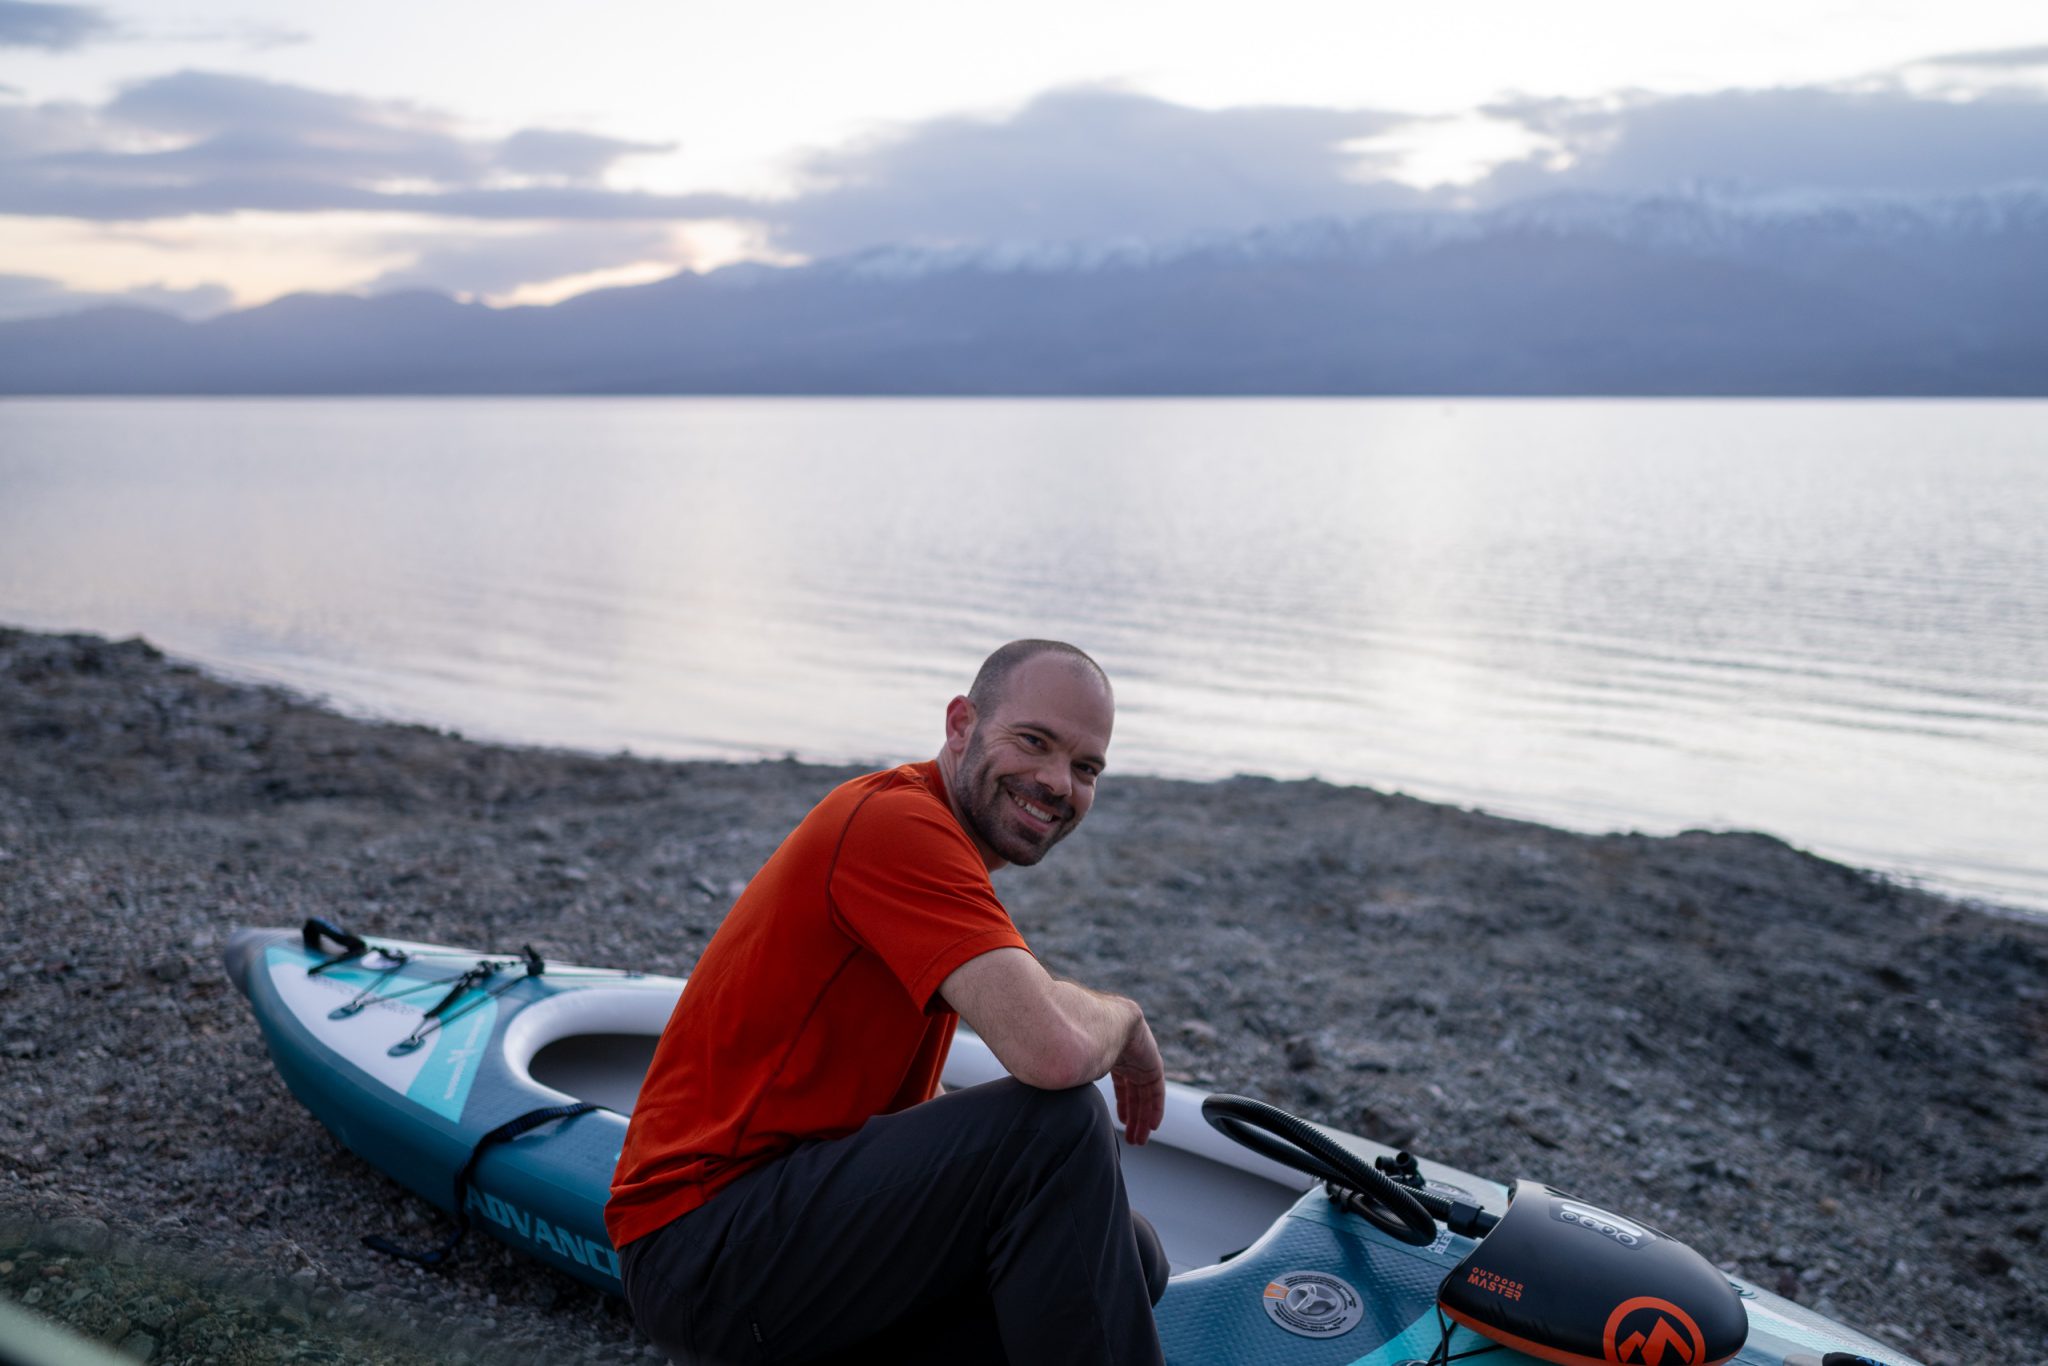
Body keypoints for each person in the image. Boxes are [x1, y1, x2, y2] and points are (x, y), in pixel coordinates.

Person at [607, 640, 1169, 1366]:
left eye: (1086, 768)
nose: (1059, 782)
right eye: (1035, 741)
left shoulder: (939, 844)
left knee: (1133, 1255)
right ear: (961, 724)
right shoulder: (894, 823)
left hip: (781, 1226)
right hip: (702, 1247)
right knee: (1056, 1126)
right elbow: (1053, 1052)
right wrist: (1128, 1022)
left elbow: (928, 1103)